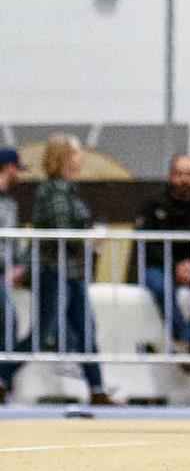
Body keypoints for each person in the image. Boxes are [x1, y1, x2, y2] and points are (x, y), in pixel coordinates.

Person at [26, 135, 114, 405]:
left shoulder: (67, 190)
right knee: (44, 330)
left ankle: (97, 388)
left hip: (73, 271)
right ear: (63, 157)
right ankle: (3, 376)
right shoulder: (54, 191)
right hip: (54, 270)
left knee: (86, 328)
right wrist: (88, 238)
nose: (81, 158)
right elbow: (60, 230)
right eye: (76, 153)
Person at [136, 153, 190, 363]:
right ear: (170, 176)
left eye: (189, 174)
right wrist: (175, 267)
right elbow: (148, 244)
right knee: (159, 286)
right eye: (179, 174)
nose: (184, 180)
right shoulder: (153, 205)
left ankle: (188, 343)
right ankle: (183, 339)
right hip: (161, 265)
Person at [0, 148, 26, 403]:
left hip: (3, 274)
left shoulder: (9, 203)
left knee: (9, 324)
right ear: (9, 167)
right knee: (8, 323)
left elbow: (13, 243)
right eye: (17, 168)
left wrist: (18, 265)